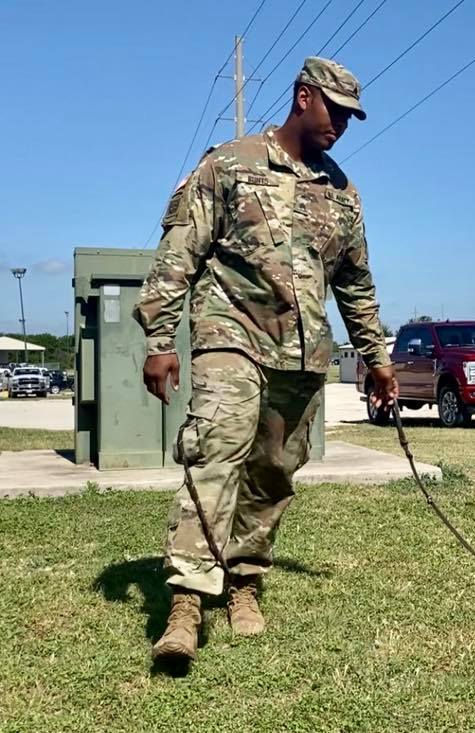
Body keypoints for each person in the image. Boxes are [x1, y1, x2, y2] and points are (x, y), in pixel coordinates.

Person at [133, 57, 398, 663]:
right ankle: (187, 602)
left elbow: (355, 283)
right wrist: (160, 341)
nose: (341, 125)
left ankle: (245, 580)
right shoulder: (230, 164)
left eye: (351, 118)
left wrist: (377, 359)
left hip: (301, 354)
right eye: (335, 111)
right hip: (229, 334)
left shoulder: (342, 192)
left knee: (273, 473)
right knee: (216, 453)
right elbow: (180, 252)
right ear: (304, 97)